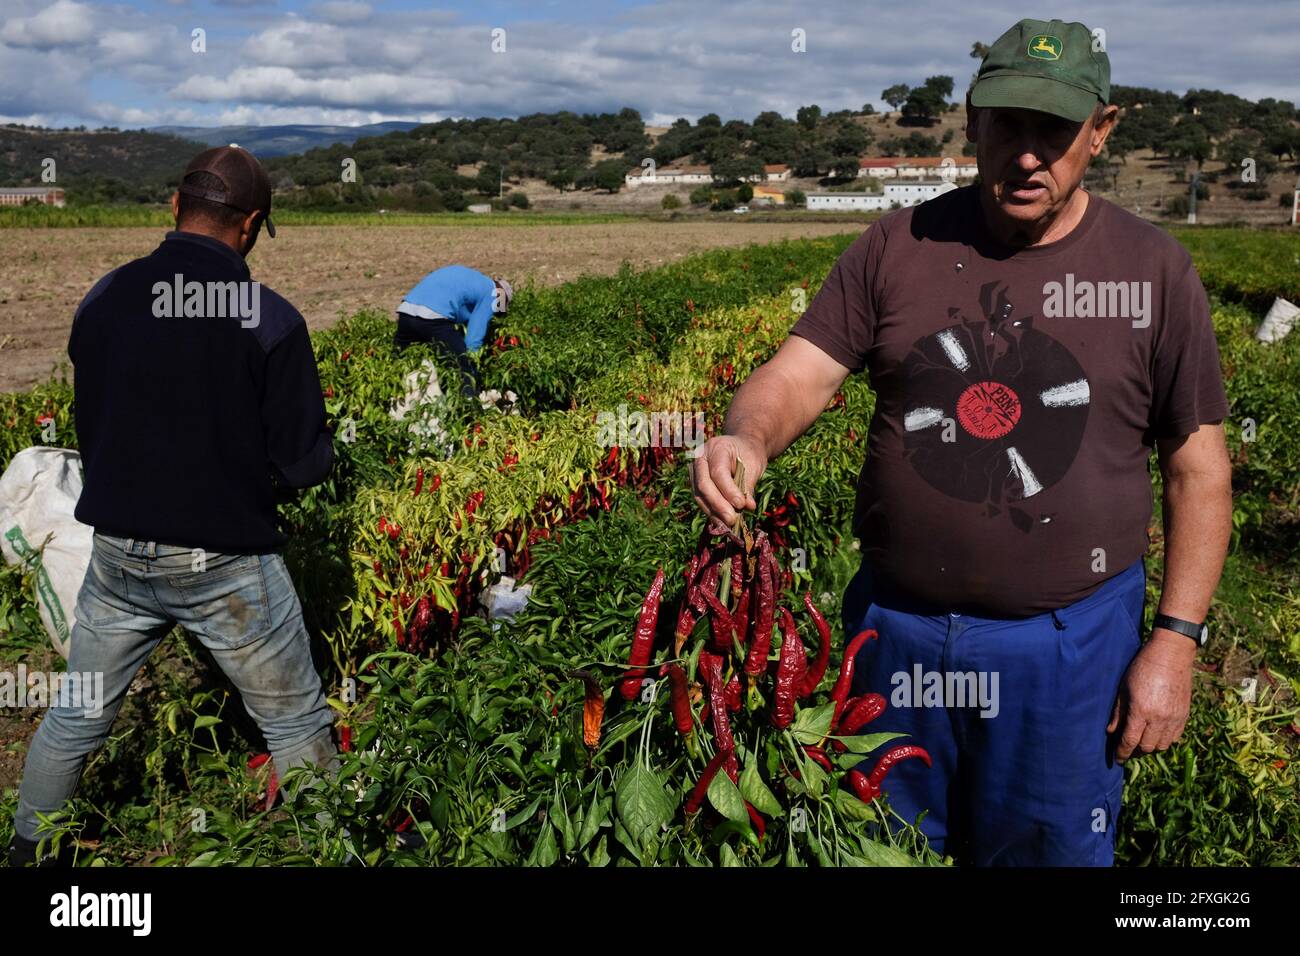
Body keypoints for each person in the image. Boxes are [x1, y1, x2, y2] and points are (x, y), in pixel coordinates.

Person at [689, 18, 1232, 866]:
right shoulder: (899, 246)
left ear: (1102, 129)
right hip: (896, 634)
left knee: (1047, 849)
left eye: (1053, 131)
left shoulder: (1153, 271)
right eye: (1007, 124)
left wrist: (1175, 640)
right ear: (972, 121)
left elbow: (1198, 471)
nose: (1026, 155)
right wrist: (746, 436)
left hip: (1065, 648)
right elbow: (798, 375)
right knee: (880, 847)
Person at [8, 146, 340, 866]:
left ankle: (28, 852)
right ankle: (338, 849)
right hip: (226, 563)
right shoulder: (267, 318)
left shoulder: (103, 298)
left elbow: (96, 421)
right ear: (250, 225)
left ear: (173, 208)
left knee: (77, 713)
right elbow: (303, 465)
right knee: (291, 723)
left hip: (118, 554)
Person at [392, 265, 513, 398]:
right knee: (462, 367)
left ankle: (389, 401)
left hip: (406, 312)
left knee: (400, 361)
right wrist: (473, 360)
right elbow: (474, 337)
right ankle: (469, 409)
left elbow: (461, 312)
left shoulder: (476, 280)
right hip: (433, 318)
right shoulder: (495, 294)